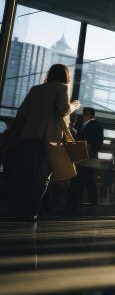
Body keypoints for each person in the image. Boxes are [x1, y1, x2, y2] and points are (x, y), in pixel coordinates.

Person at [5, 64, 81, 222]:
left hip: (27, 138)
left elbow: (22, 112)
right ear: (66, 76)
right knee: (42, 178)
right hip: (48, 140)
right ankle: (30, 212)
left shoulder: (36, 89)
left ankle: (18, 210)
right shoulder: (62, 87)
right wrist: (75, 105)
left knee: (26, 176)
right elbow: (64, 110)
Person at [67, 107, 104, 213]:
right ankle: (87, 205)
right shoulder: (84, 125)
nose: (83, 116)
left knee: (85, 181)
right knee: (86, 181)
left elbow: (98, 141)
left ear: (89, 115)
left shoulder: (94, 125)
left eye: (85, 114)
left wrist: (90, 147)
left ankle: (84, 205)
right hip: (84, 157)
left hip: (87, 157)